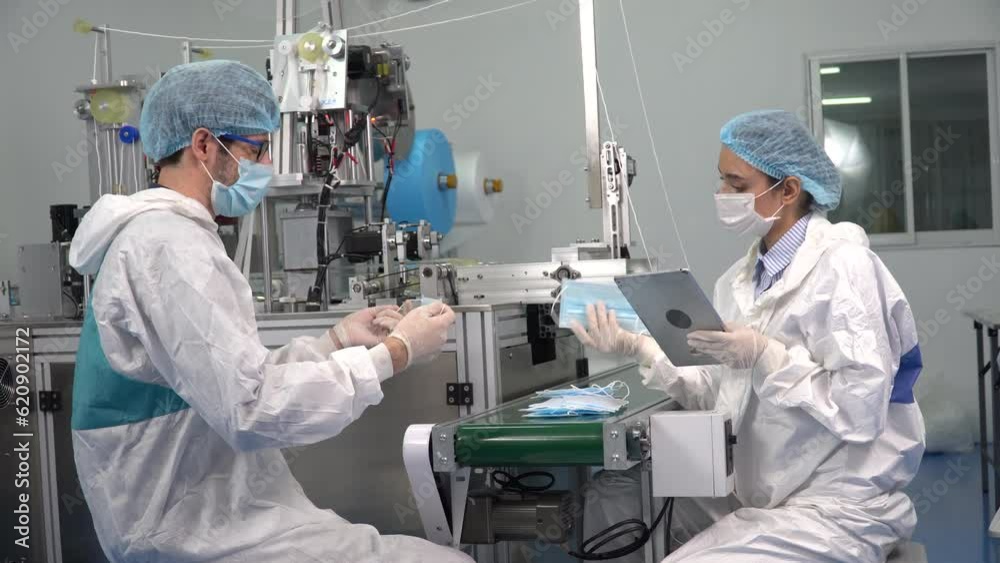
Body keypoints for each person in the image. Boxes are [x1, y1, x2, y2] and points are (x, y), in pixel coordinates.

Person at [68, 60, 472, 563]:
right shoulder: (165, 247)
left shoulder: (167, 239)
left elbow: (228, 381)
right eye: (254, 150)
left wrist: (336, 342)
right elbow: (251, 411)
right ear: (203, 146)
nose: (261, 166)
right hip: (194, 533)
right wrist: (396, 352)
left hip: (214, 515)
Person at [571, 110, 925, 562]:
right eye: (722, 182)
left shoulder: (844, 268)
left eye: (738, 186)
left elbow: (861, 409)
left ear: (790, 190)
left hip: (836, 502)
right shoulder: (737, 283)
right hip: (763, 487)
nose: (723, 196)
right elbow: (720, 396)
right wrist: (640, 346)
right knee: (612, 500)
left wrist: (766, 355)